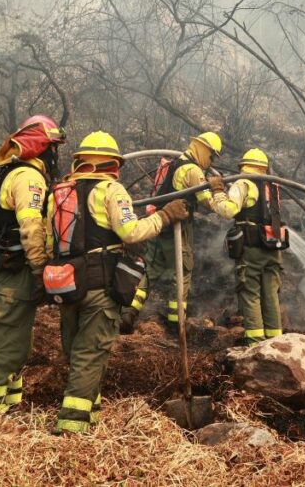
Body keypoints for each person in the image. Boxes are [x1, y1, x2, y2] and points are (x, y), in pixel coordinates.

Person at [47, 131, 188, 434]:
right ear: (110, 163)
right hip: (99, 284)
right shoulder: (112, 191)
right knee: (92, 351)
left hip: (65, 282)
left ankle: (90, 413)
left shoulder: (59, 192)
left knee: (76, 350)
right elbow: (131, 233)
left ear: (82, 161)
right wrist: (164, 217)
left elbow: (50, 241)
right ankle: (71, 427)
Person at [0, 115, 65, 418]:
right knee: (5, 342)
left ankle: (8, 409)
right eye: (52, 149)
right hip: (15, 273)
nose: (55, 156)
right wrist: (40, 271)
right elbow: (31, 227)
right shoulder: (29, 178)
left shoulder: (8, 173)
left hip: (3, 269)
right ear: (41, 149)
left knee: (17, 343)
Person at [119, 132, 233, 334]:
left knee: (151, 271)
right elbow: (210, 205)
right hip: (177, 229)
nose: (211, 161)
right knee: (182, 273)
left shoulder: (176, 163)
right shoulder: (192, 170)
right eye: (212, 156)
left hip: (160, 225)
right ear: (204, 149)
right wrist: (217, 189)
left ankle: (129, 313)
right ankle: (176, 324)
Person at [220, 148, 288, 346]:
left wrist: (217, 192)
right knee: (271, 295)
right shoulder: (271, 185)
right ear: (264, 168)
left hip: (251, 250)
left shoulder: (243, 183)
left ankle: (256, 345)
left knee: (251, 295)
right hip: (273, 249)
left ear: (243, 166)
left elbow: (227, 210)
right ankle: (275, 343)